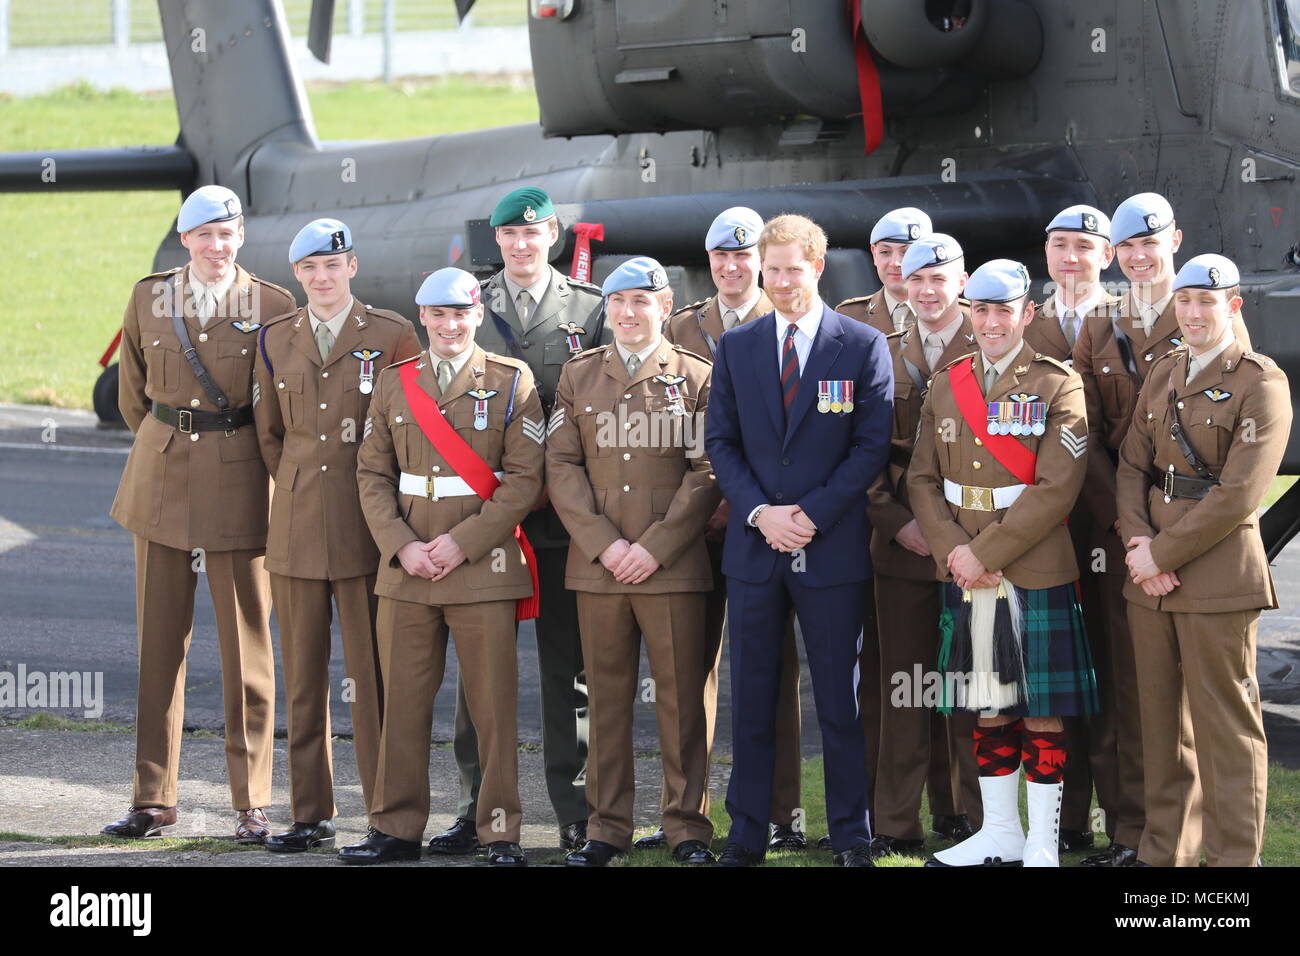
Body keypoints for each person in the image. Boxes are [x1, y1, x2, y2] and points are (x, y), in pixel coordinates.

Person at [103, 185, 296, 843]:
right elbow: (134, 398)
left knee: (248, 653)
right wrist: (169, 440)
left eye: (229, 233)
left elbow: (280, 409)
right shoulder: (147, 296)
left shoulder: (273, 304)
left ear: (242, 237)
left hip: (240, 485)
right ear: (184, 239)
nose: (218, 246)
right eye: (205, 235)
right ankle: (153, 798)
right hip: (159, 485)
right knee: (158, 648)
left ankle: (252, 803)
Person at [705, 214, 894, 867]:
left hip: (832, 547)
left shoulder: (863, 345)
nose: (781, 281)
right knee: (752, 701)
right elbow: (720, 446)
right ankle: (747, 834)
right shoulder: (738, 347)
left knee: (839, 703)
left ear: (817, 266)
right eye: (772, 269)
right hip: (756, 551)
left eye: (792, 268)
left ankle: (851, 835)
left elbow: (870, 449)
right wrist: (760, 512)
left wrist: (808, 515)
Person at [342, 267, 543, 866]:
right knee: (400, 702)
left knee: (493, 705)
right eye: (438, 314)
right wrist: (402, 545)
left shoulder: (511, 381)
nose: (450, 325)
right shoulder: (394, 382)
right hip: (408, 569)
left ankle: (500, 832)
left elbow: (526, 480)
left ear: (477, 315)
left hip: (481, 565)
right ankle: (395, 830)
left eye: (461, 314)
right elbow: (372, 474)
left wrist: (462, 544)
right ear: (422, 317)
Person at [907, 258, 1098, 867]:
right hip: (964, 563)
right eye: (981, 310)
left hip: (1033, 561)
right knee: (988, 702)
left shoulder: (1057, 383)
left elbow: (1057, 487)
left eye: (1004, 310)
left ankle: (1042, 839)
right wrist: (955, 553)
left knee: (1040, 707)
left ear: (1027, 313)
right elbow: (921, 478)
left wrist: (982, 553)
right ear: (971, 312)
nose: (991, 322)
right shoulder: (948, 381)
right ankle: (1000, 831)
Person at [431, 186, 603, 854]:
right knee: (482, 674)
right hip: (485, 521)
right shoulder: (470, 303)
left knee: (571, 671)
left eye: (534, 234)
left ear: (553, 235)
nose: (522, 246)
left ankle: (576, 811)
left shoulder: (587, 312)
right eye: (509, 236)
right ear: (496, 241)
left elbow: (595, 411)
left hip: (560, 522)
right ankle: (480, 808)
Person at [1116, 254, 1290, 867]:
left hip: (1215, 573)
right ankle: (1165, 856)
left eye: (1206, 303)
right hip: (1149, 577)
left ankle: (1235, 864)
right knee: (1162, 730)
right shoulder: (1163, 371)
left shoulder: (1260, 381)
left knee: (1227, 732)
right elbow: (1132, 465)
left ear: (1232, 307)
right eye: (1183, 302)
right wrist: (1139, 545)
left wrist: (1160, 552)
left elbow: (1239, 494)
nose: (1192, 313)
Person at [253, 218, 421, 852]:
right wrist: (299, 489)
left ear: (353, 267)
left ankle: (385, 813)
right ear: (297, 275)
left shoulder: (393, 334)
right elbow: (271, 436)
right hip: (295, 527)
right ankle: (309, 812)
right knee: (302, 677)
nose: (322, 278)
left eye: (334, 265)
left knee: (373, 677)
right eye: (310, 269)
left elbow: (409, 430)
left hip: (367, 530)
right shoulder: (274, 339)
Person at [547, 256, 720, 867]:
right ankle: (607, 828)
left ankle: (687, 828)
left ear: (664, 306)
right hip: (599, 567)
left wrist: (654, 546)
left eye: (641, 302)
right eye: (618, 302)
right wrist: (605, 544)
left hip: (671, 565)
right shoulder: (579, 375)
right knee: (605, 698)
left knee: (681, 700)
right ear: (607, 309)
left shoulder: (697, 375)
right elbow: (561, 466)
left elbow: (708, 470)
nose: (628, 312)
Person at [652, 206, 806, 853]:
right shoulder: (682, 326)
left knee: (773, 673)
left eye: (744, 256)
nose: (732, 266)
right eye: (721, 255)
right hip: (691, 527)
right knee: (688, 679)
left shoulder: (791, 324)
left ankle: (780, 813)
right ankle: (688, 818)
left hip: (763, 526)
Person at [866, 234, 981, 859]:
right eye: (916, 280)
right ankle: (895, 822)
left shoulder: (992, 346)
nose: (928, 292)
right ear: (901, 285)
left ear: (961, 281)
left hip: (974, 550)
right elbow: (861, 455)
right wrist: (893, 521)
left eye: (940, 278)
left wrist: (965, 540)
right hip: (903, 545)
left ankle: (973, 815)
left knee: (970, 688)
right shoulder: (876, 354)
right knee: (904, 685)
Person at [1025, 204, 1120, 852]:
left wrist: (1123, 517)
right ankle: (1063, 824)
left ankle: (1128, 826)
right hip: (1043, 527)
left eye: (1083, 247)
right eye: (1059, 245)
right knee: (1055, 679)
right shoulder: (1024, 322)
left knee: (1114, 680)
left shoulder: (1128, 323)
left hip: (1111, 523)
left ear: (1105, 256)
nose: (1070, 257)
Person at [837, 207, 934, 335]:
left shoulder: (962, 317)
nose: (895, 262)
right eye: (885, 252)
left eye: (906, 253)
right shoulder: (849, 318)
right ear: (874, 254)